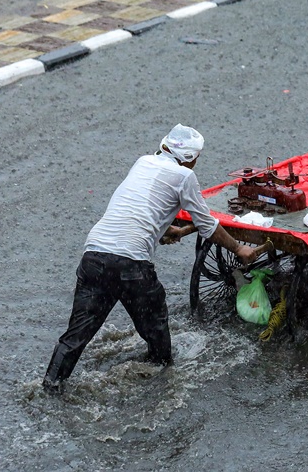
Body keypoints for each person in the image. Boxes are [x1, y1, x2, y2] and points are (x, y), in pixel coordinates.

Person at [42, 124, 260, 395]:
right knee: (156, 327)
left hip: (94, 257)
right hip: (131, 265)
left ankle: (50, 387)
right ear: (191, 158)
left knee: (75, 335)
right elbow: (208, 226)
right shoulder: (185, 176)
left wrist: (168, 230)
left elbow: (141, 206)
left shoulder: (143, 162)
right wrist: (238, 249)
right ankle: (163, 380)